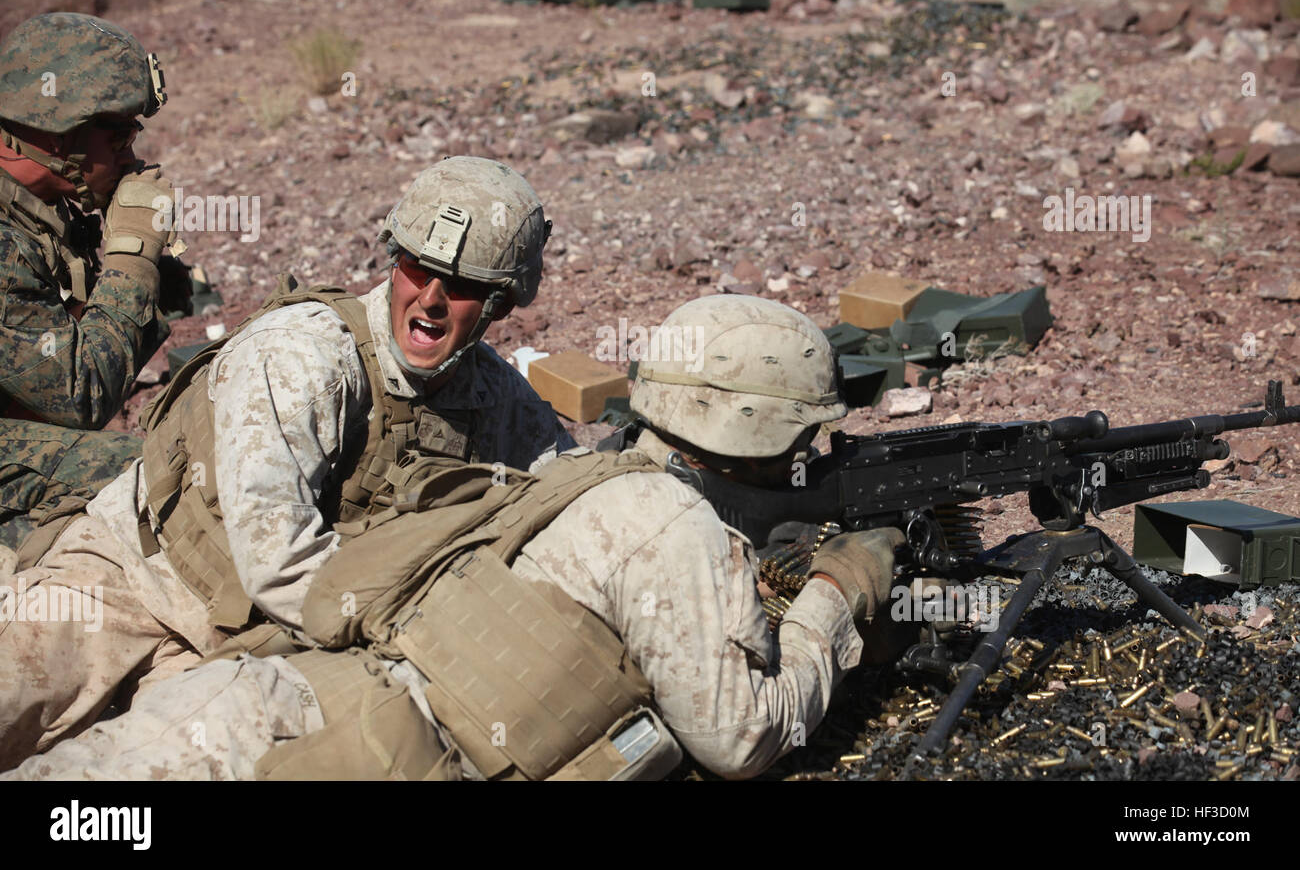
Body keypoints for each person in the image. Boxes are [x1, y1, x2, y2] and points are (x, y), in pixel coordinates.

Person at [4, 294, 905, 781]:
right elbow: (742, 739)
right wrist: (837, 592)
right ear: (762, 433)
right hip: (297, 739)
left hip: (264, 705)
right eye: (806, 438)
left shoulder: (561, 475)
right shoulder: (671, 528)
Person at [0, 156, 574, 767]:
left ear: (501, 304)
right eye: (415, 268)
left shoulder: (495, 401)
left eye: (460, 287)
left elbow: (567, 489)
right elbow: (278, 561)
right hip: (130, 577)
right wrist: (432, 635)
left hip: (236, 647)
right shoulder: (306, 356)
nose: (430, 300)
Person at [0, 11, 186, 550]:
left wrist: (152, 279)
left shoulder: (44, 206)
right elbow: (82, 395)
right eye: (120, 137)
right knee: (161, 472)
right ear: (59, 141)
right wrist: (131, 254)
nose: (132, 157)